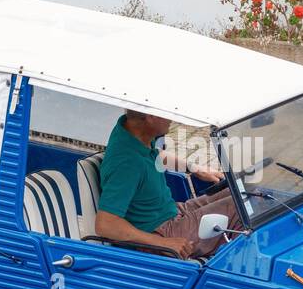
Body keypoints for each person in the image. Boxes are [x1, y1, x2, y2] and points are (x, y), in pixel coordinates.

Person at [94, 110, 243, 259]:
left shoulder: (132, 130)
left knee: (240, 192)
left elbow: (155, 153)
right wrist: (162, 242)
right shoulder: (126, 164)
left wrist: (195, 168)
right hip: (160, 232)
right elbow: (105, 224)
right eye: (166, 113)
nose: (172, 118)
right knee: (240, 209)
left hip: (170, 212)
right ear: (151, 117)